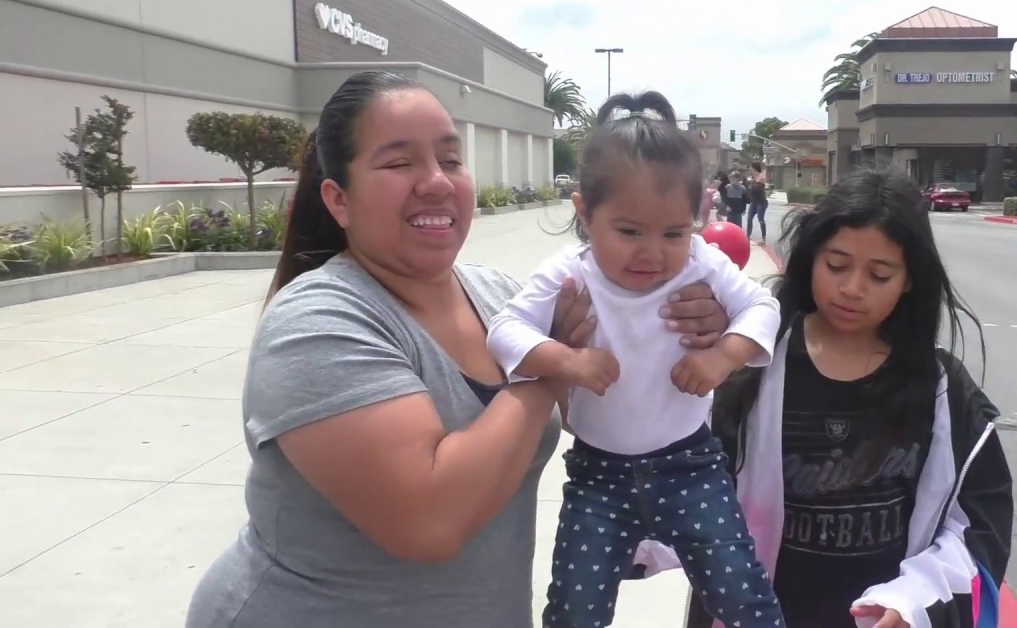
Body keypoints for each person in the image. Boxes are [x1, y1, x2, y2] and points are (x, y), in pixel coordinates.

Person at [184, 71, 731, 628]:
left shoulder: (498, 296)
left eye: (450, 159)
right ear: (339, 200)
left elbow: (595, 406)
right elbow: (430, 521)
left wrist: (673, 329)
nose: (436, 182)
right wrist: (550, 364)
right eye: (400, 163)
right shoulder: (318, 323)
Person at [486, 91, 787, 628]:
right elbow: (505, 330)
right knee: (574, 611)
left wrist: (724, 355)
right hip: (598, 477)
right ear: (585, 212)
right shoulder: (570, 271)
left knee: (745, 598)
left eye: (673, 232)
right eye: (629, 231)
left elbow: (763, 308)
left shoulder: (701, 261)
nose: (652, 251)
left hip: (691, 468)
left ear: (698, 217)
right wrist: (565, 361)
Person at [672, 169, 1014, 628]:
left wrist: (915, 599)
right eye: (836, 265)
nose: (852, 288)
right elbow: (676, 486)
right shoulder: (750, 366)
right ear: (812, 256)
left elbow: (978, 522)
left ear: (909, 279)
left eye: (879, 274)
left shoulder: (940, 388)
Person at [746, 161, 769, 245]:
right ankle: (748, 236)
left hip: (761, 202)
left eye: (751, 167)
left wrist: (751, 182)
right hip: (754, 202)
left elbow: (756, 188)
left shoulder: (761, 177)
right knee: (749, 218)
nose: (750, 169)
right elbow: (749, 189)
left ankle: (763, 239)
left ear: (754, 168)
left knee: (760, 219)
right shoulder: (752, 177)